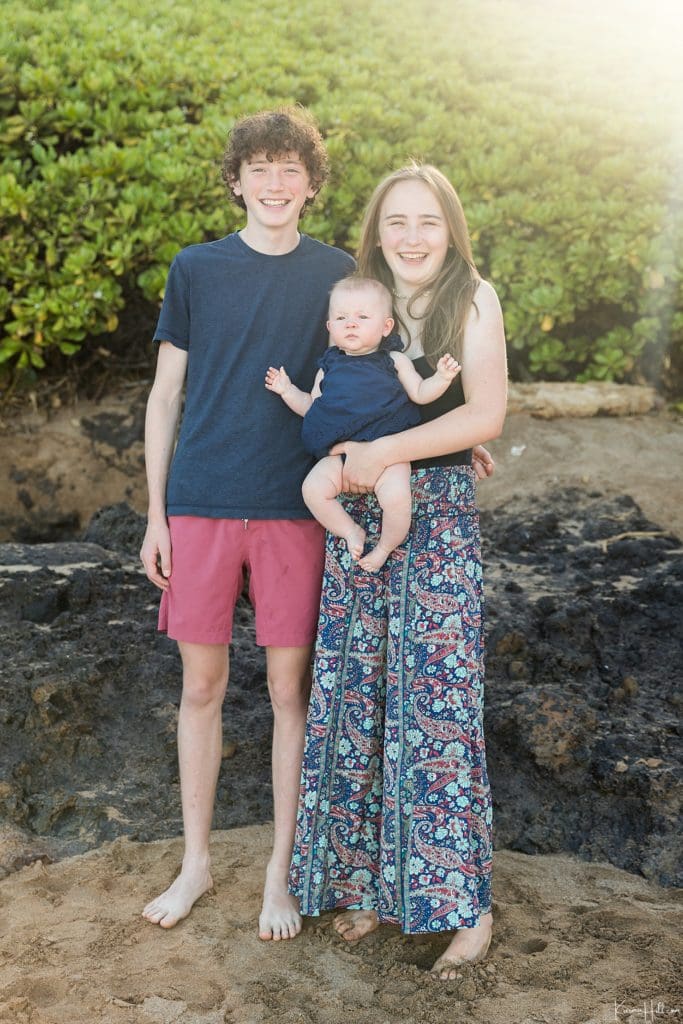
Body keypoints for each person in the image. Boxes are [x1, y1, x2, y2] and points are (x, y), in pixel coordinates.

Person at [139, 107, 355, 939]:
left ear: (310, 183)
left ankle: (280, 872)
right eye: (258, 169)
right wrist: (155, 514)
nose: (274, 184)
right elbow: (164, 397)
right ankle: (194, 863)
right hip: (198, 501)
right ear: (235, 180)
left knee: (286, 691)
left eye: (289, 169)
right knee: (200, 686)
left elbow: (368, 371)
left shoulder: (336, 271)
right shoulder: (196, 268)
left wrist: (442, 445)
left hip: (295, 506)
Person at [288, 162, 507, 979]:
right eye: (396, 222)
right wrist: (400, 437)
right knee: (359, 694)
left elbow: (486, 411)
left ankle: (464, 908)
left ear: (450, 229)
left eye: (427, 221)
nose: (411, 237)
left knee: (435, 706)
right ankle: (375, 888)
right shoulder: (360, 305)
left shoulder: (471, 297)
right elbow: (354, 402)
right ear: (375, 232)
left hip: (435, 515)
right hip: (355, 512)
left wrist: (401, 446)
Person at [264, 275, 461, 572]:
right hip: (341, 454)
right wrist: (286, 390)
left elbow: (421, 394)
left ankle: (384, 547)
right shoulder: (328, 366)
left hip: (388, 451)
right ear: (330, 327)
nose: (351, 323)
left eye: (362, 317)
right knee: (312, 489)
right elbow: (313, 408)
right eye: (341, 317)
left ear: (386, 326)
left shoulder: (393, 360)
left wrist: (442, 378)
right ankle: (350, 531)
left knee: (396, 500)